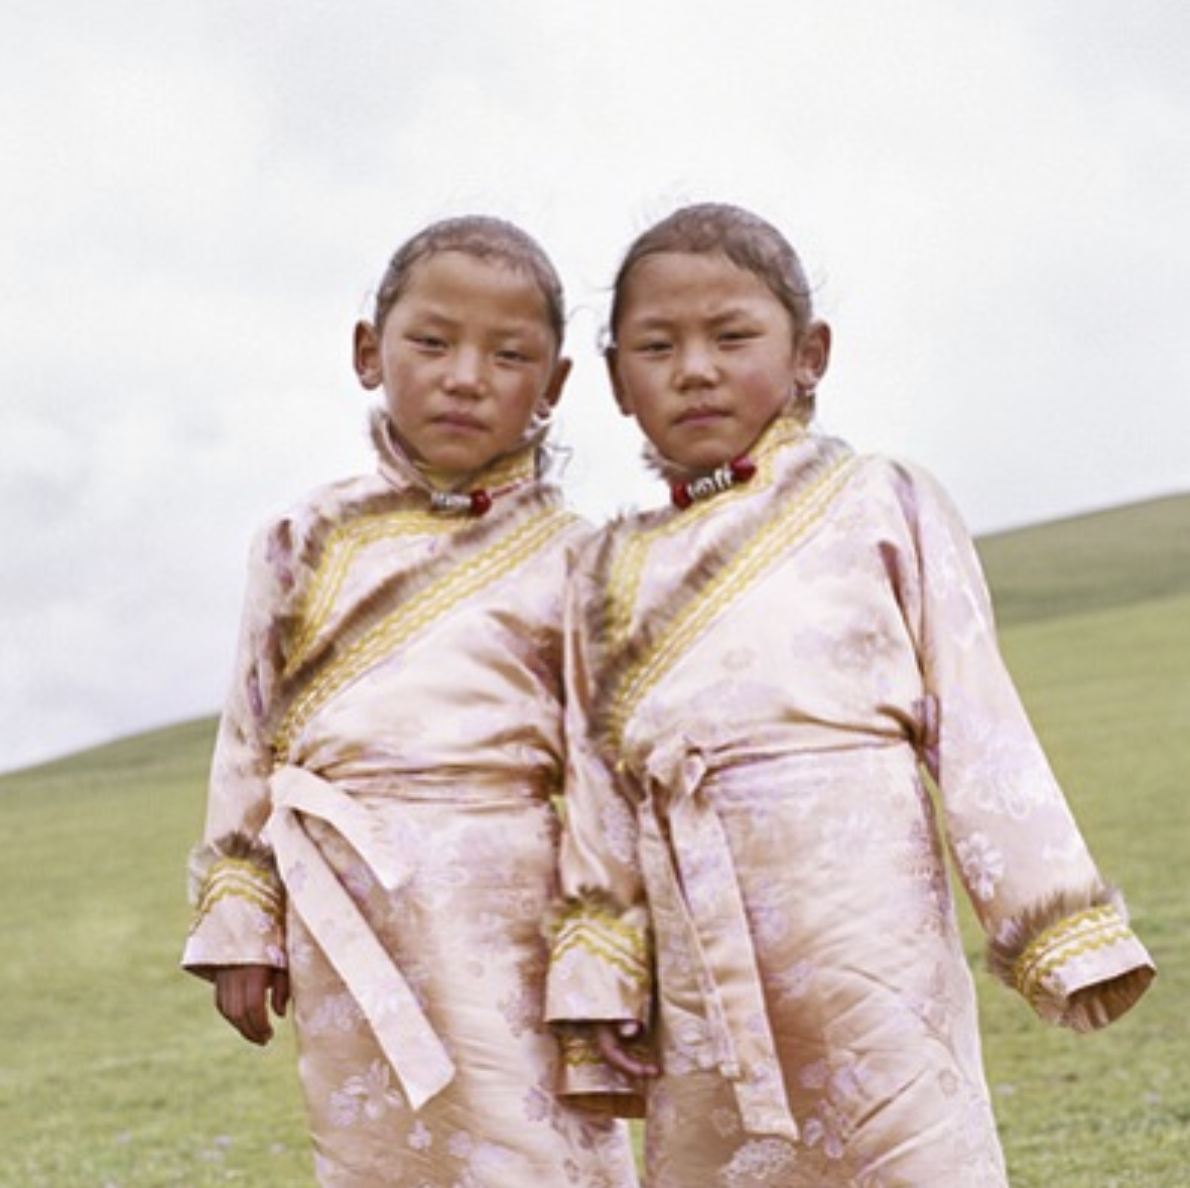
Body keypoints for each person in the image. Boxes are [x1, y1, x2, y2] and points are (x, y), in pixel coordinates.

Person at [545, 202, 1155, 1187]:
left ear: (809, 354)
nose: (694, 369)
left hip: (869, 928)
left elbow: (976, 717)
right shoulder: (601, 570)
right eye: (657, 346)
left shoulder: (879, 499)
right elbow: (594, 792)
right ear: (617, 380)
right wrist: (599, 984)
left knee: (903, 1140)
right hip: (697, 957)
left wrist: (1052, 925)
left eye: (731, 336)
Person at [182, 216, 639, 1188]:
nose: (465, 377)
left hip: (512, 914)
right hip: (343, 909)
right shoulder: (299, 538)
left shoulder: (583, 559)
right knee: (378, 1156)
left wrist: (600, 959)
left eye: (508, 355)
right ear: (367, 351)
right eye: (432, 342)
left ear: (554, 385)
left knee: (535, 1150)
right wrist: (241, 918)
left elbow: (604, 778)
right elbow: (250, 736)